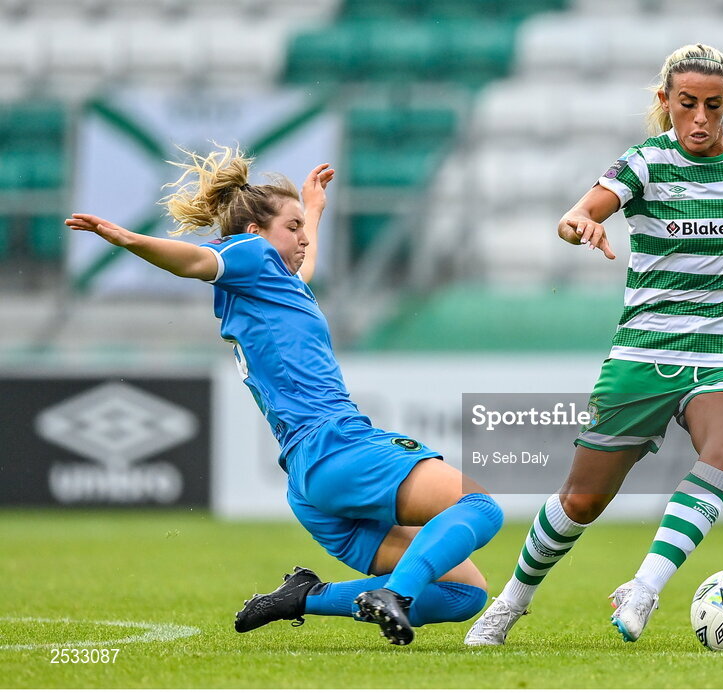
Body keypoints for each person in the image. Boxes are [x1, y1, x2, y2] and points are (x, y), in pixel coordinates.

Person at [65, 145, 503, 646]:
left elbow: (303, 264)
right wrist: (127, 239)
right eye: (291, 228)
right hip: (337, 446)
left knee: (462, 594)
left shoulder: (274, 284)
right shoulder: (247, 254)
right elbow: (193, 260)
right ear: (256, 235)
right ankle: (396, 594)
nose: (302, 239)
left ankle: (302, 597)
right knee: (481, 507)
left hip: (311, 481)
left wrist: (311, 210)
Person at [465, 44, 723, 646]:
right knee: (581, 501)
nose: (701, 119)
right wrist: (581, 224)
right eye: (688, 105)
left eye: (713, 105)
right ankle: (511, 601)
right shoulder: (646, 163)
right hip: (646, 350)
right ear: (666, 103)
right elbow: (579, 211)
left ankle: (644, 587)